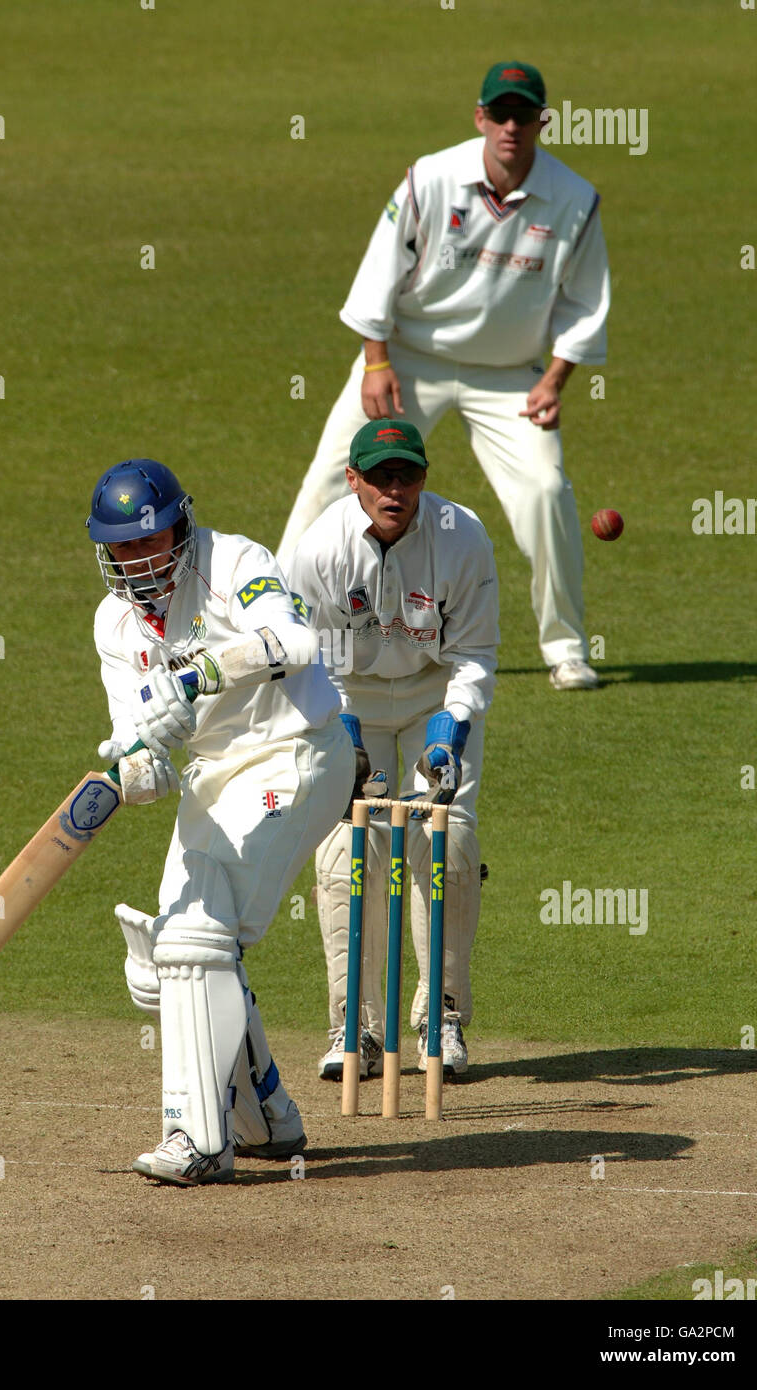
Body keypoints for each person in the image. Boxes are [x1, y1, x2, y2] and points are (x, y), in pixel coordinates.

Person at [277, 60, 609, 692]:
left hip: (510, 375)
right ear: (480, 117)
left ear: (543, 120)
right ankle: (277, 627)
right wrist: (376, 360)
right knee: (328, 480)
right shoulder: (431, 178)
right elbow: (380, 270)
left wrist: (555, 379)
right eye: (500, 113)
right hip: (408, 357)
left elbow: (583, 303)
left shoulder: (574, 200)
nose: (512, 126)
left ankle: (566, 647)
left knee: (545, 491)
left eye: (524, 115)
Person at [88, 457, 353, 1186]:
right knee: (160, 965)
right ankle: (265, 1117)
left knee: (197, 941)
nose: (140, 559)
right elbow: (139, 749)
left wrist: (196, 674)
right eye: (124, 547)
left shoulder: (234, 560)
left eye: (153, 539)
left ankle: (199, 1140)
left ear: (181, 526)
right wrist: (143, 769)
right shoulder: (114, 623)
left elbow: (295, 643)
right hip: (213, 778)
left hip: (294, 752)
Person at [285, 419, 499, 1080]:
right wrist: (340, 730)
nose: (394, 488)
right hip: (350, 697)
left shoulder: (461, 538)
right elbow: (305, 661)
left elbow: (473, 655)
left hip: (436, 694)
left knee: (447, 843)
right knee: (351, 849)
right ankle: (356, 1027)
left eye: (406, 474)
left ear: (424, 477)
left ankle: (443, 1017)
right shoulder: (318, 549)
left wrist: (452, 728)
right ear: (354, 480)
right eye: (380, 476)